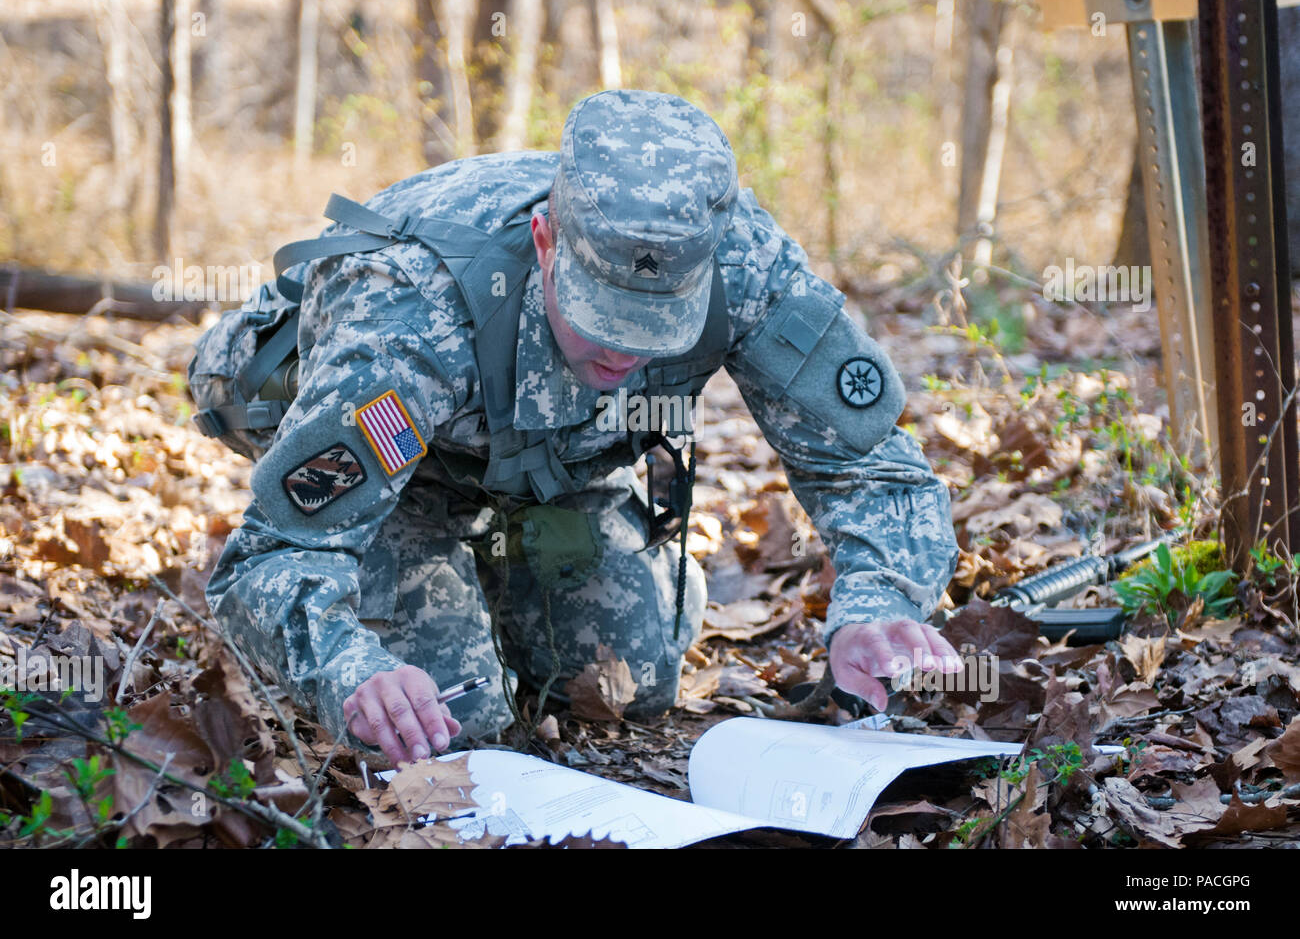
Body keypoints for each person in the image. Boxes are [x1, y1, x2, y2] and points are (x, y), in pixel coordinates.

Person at [204, 89, 962, 766]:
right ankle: (444, 572)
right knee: (447, 725)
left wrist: (877, 605)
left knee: (632, 677)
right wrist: (350, 670)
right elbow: (273, 555)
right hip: (399, 474)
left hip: (555, 467)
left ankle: (526, 564)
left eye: (657, 325)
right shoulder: (411, 320)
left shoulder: (742, 261)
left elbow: (874, 467)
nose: (625, 351)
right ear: (545, 241)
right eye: (602, 315)